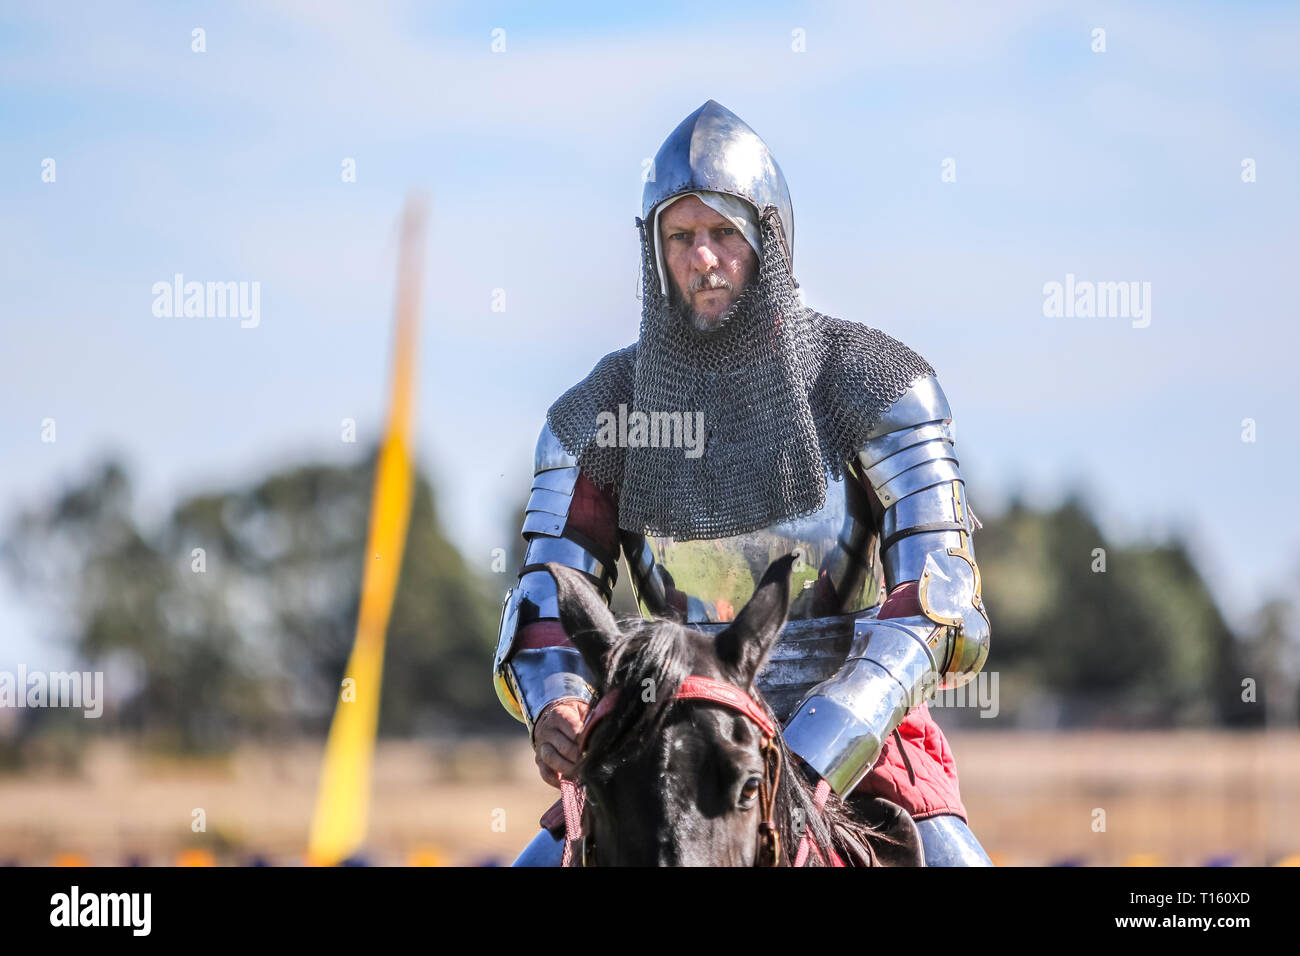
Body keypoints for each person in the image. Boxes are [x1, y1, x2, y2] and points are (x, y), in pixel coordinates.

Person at [492, 100, 993, 866]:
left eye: (724, 231)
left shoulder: (874, 384)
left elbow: (941, 604)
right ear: (654, 251)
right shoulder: (603, 412)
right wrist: (558, 701)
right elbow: (545, 598)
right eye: (681, 236)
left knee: (951, 858)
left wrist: (824, 737)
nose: (704, 258)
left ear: (769, 237)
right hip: (671, 740)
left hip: (855, 741)